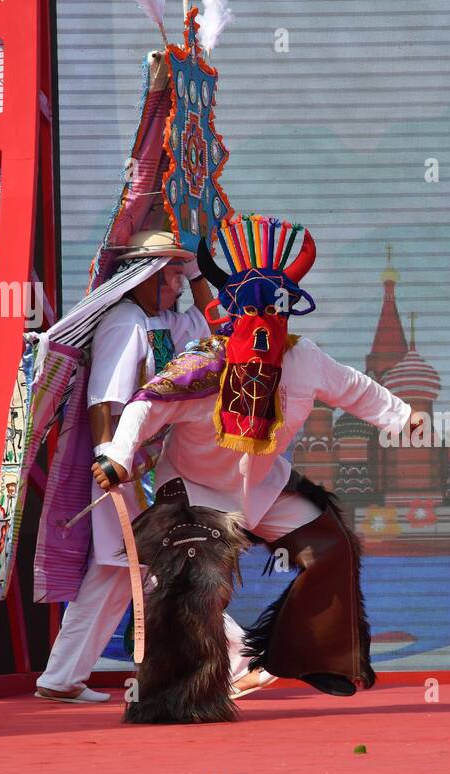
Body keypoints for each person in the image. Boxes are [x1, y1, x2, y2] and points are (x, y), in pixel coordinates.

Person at [94, 214, 411, 701]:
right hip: (195, 491)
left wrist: (403, 418)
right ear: (233, 319)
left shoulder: (305, 358)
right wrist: (116, 455)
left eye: (273, 319)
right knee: (193, 582)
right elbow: (143, 405)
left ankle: (311, 656)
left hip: (264, 482)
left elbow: (354, 387)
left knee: (332, 548)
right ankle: (197, 690)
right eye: (252, 320)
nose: (263, 337)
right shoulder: (202, 366)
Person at [34, 230, 259, 702]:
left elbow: (212, 326)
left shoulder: (160, 321)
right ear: (147, 275)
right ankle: (241, 662)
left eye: (180, 272)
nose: (179, 282)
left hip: (144, 465)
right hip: (123, 467)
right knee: (173, 566)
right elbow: (105, 396)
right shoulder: (124, 320)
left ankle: (59, 679)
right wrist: (107, 457)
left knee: (114, 577)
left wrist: (198, 269)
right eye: (173, 272)